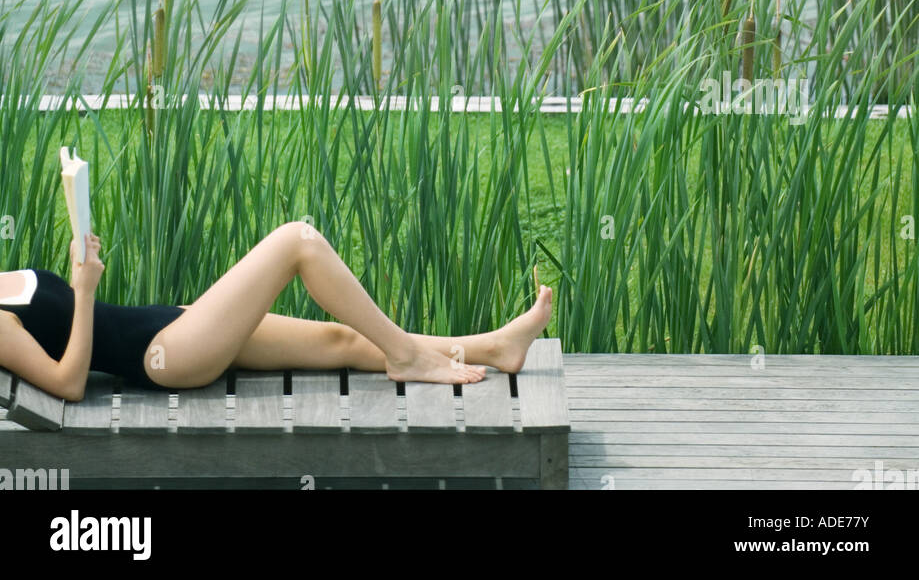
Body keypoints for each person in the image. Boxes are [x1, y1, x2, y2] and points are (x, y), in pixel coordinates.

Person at [0, 223, 553, 402]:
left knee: (343, 339)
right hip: (164, 357)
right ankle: (408, 356)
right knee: (298, 242)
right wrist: (86, 288)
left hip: (165, 323)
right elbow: (67, 382)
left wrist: (81, 265)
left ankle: (494, 347)